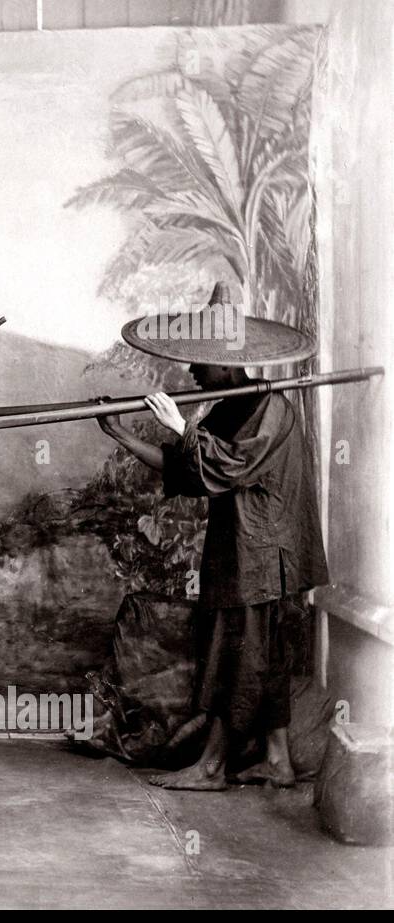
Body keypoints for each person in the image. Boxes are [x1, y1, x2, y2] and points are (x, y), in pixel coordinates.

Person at [98, 285, 328, 790]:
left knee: (237, 657)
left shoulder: (270, 409)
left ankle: (212, 767)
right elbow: (189, 474)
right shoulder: (230, 408)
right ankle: (277, 760)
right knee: (261, 658)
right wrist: (123, 435)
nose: (193, 372)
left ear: (230, 363)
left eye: (202, 362)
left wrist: (182, 424)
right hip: (240, 551)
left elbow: (228, 465)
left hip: (263, 555)